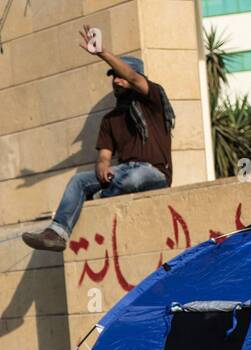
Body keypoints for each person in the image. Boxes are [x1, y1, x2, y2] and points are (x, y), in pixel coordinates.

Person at [22, 27, 174, 252]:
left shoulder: (152, 101)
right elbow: (104, 155)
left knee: (133, 178)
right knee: (79, 181)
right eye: (113, 77)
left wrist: (102, 52)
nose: (116, 81)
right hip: (122, 172)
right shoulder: (110, 119)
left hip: (154, 172)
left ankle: (103, 195)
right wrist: (102, 166)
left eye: (120, 76)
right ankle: (57, 233)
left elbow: (133, 77)